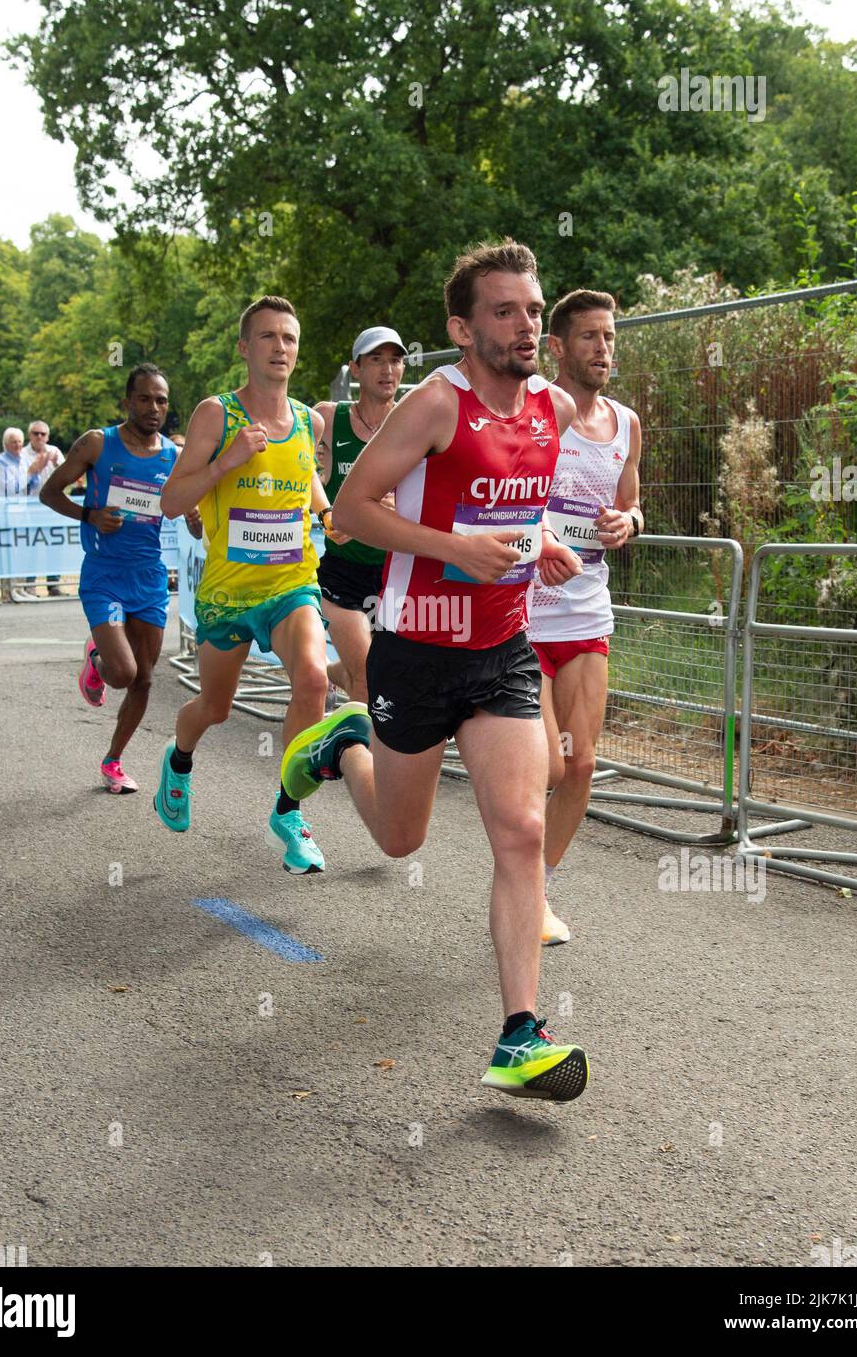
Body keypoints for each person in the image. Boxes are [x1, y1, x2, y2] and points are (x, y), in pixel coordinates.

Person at [281, 240, 592, 1102]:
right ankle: (347, 741)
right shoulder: (432, 405)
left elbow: (514, 511)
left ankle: (519, 1035)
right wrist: (454, 548)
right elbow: (349, 512)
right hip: (415, 648)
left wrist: (546, 544)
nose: (525, 325)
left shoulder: (552, 410)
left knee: (520, 832)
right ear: (461, 327)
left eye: (532, 310)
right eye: (504, 311)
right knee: (398, 839)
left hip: (500, 651)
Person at [153, 295, 351, 875]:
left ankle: (289, 813)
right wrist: (225, 463)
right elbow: (170, 503)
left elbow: (308, 484)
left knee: (314, 678)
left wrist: (333, 516)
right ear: (245, 347)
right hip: (228, 593)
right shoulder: (218, 415)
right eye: (267, 337)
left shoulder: (309, 422)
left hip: (292, 584)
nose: (280, 348)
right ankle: (179, 758)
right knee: (213, 707)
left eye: (289, 338)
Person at [527, 290, 644, 947]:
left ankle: (536, 888)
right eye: (590, 337)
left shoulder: (625, 423)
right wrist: (539, 537)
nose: (603, 349)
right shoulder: (534, 412)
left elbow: (631, 502)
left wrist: (627, 521)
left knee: (579, 765)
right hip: (519, 615)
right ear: (558, 347)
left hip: (583, 612)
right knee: (543, 765)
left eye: (609, 337)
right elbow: (502, 495)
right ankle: (517, 870)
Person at [40, 364, 202, 794]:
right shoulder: (98, 444)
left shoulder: (174, 456)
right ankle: (98, 661)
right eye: (145, 398)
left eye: (162, 400)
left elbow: (196, 526)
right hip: (104, 575)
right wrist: (89, 515)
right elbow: (49, 493)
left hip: (149, 577)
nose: (154, 408)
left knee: (146, 679)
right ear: (127, 402)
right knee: (124, 673)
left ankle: (113, 761)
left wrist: (196, 518)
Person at [313, 327, 406, 702]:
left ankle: (329, 677)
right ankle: (357, 760)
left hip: (397, 575)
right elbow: (302, 473)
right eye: (376, 360)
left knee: (388, 680)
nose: (388, 370)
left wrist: (397, 511)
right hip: (343, 574)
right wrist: (327, 513)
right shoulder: (327, 418)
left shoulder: (416, 423)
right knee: (369, 680)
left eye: (396, 360)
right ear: (355, 369)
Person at [0, 428, 41, 601]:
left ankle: (19, 588)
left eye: (20, 441)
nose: (18, 445)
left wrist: (35, 473)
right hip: (8, 512)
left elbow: (33, 486)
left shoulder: (24, 460)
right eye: (13, 441)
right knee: (10, 552)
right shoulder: (0, 461)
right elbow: (9, 487)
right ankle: (8, 591)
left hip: (23, 509)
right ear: (6, 444)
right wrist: (29, 474)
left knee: (22, 550)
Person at [22, 421, 65, 596]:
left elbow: (67, 479)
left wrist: (56, 466)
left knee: (54, 546)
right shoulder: (22, 454)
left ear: (47, 436)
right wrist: (33, 470)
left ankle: (53, 584)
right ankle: (29, 584)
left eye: (43, 434)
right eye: (35, 433)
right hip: (31, 508)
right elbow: (17, 484)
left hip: (53, 507)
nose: (39, 437)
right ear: (29, 435)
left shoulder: (54, 451)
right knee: (32, 546)